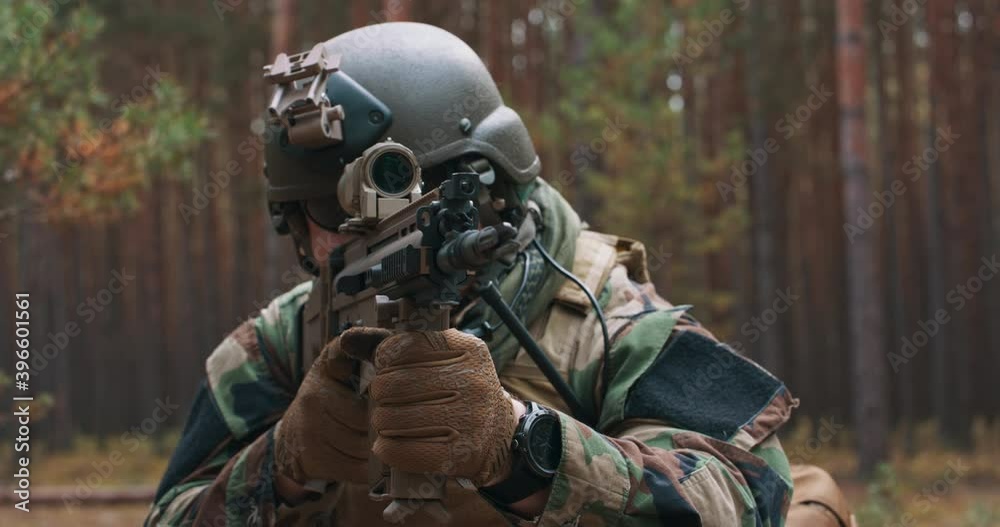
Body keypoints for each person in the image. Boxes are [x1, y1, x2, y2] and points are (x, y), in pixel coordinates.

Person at [147, 22, 852, 526]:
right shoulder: (283, 342)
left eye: (382, 205)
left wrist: (525, 449)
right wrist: (284, 465)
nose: (347, 239)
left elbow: (753, 497)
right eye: (319, 216)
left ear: (482, 186)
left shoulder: (606, 319)